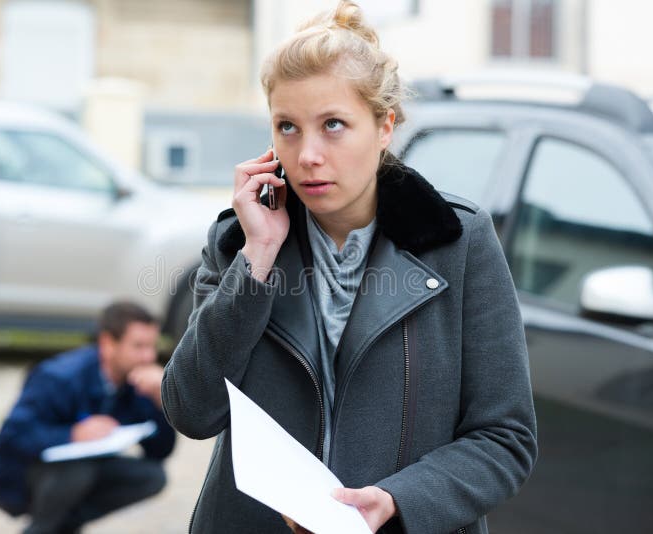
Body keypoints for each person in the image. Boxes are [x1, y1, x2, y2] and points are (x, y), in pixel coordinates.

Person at [162, 1, 537, 532]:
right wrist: (258, 259)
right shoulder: (238, 243)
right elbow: (191, 411)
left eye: (333, 125)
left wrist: (396, 501)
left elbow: (505, 438)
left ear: (384, 127)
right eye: (287, 127)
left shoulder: (458, 240)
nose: (308, 153)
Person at [0, 301, 176, 534]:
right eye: (139, 346)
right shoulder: (60, 376)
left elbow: (159, 452)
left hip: (80, 470)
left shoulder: (138, 381)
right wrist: (72, 434)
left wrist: (160, 400)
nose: (149, 356)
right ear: (107, 343)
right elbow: (14, 437)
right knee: (79, 469)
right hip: (16, 474)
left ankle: (62, 527)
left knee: (152, 477)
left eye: (152, 346)